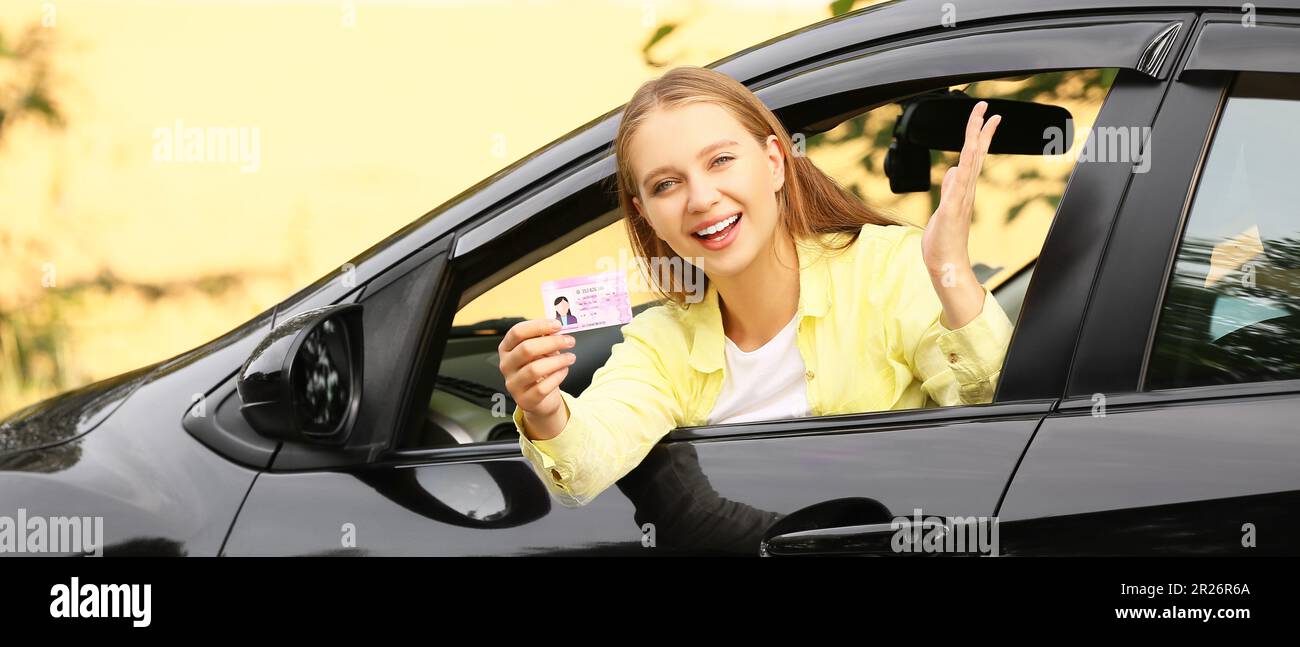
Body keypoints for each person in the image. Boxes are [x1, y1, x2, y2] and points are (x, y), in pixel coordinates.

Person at [496, 66, 1014, 507]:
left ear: (773, 162)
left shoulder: (892, 268)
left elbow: (1007, 431)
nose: (701, 197)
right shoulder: (661, 342)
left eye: (720, 161)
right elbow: (584, 471)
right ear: (646, 214)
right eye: (666, 185)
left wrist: (952, 276)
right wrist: (544, 409)